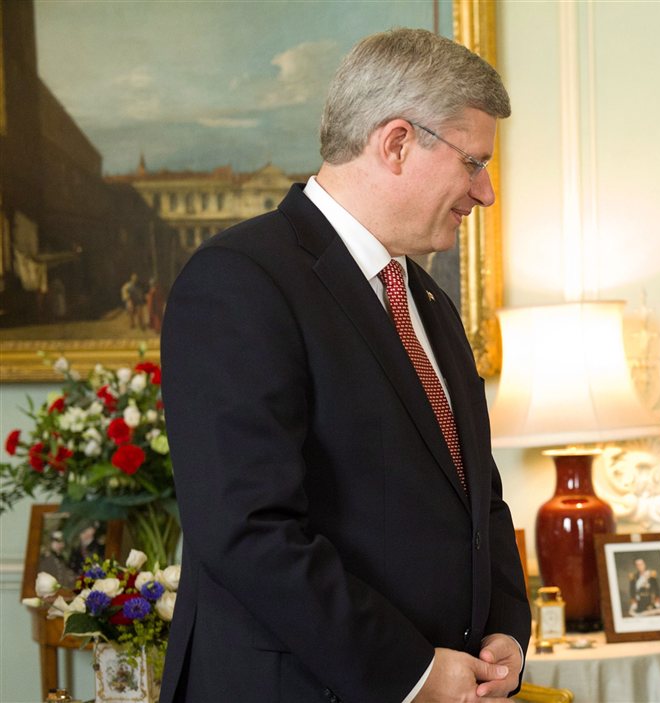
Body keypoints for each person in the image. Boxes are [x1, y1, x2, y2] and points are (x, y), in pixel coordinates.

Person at [158, 28, 530, 703]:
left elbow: (480, 503)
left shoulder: (429, 304)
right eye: (474, 162)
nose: (486, 192)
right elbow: (247, 531)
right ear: (395, 143)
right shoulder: (239, 280)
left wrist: (505, 631)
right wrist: (412, 670)